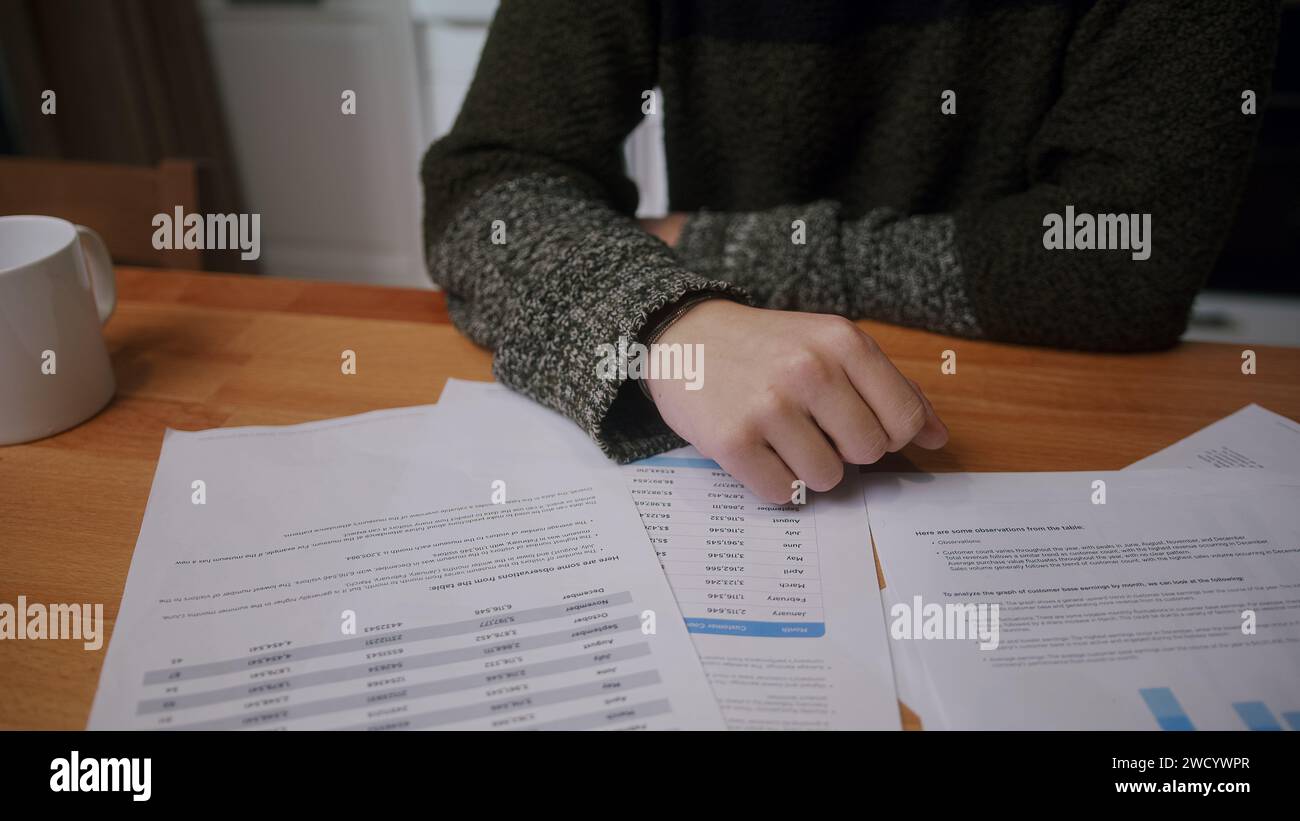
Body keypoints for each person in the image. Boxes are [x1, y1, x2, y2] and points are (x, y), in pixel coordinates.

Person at [420, 0, 1279, 503]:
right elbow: (489, 185)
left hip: (1028, 439)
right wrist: (669, 326)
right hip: (745, 444)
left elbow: (1125, 257)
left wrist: (703, 249)